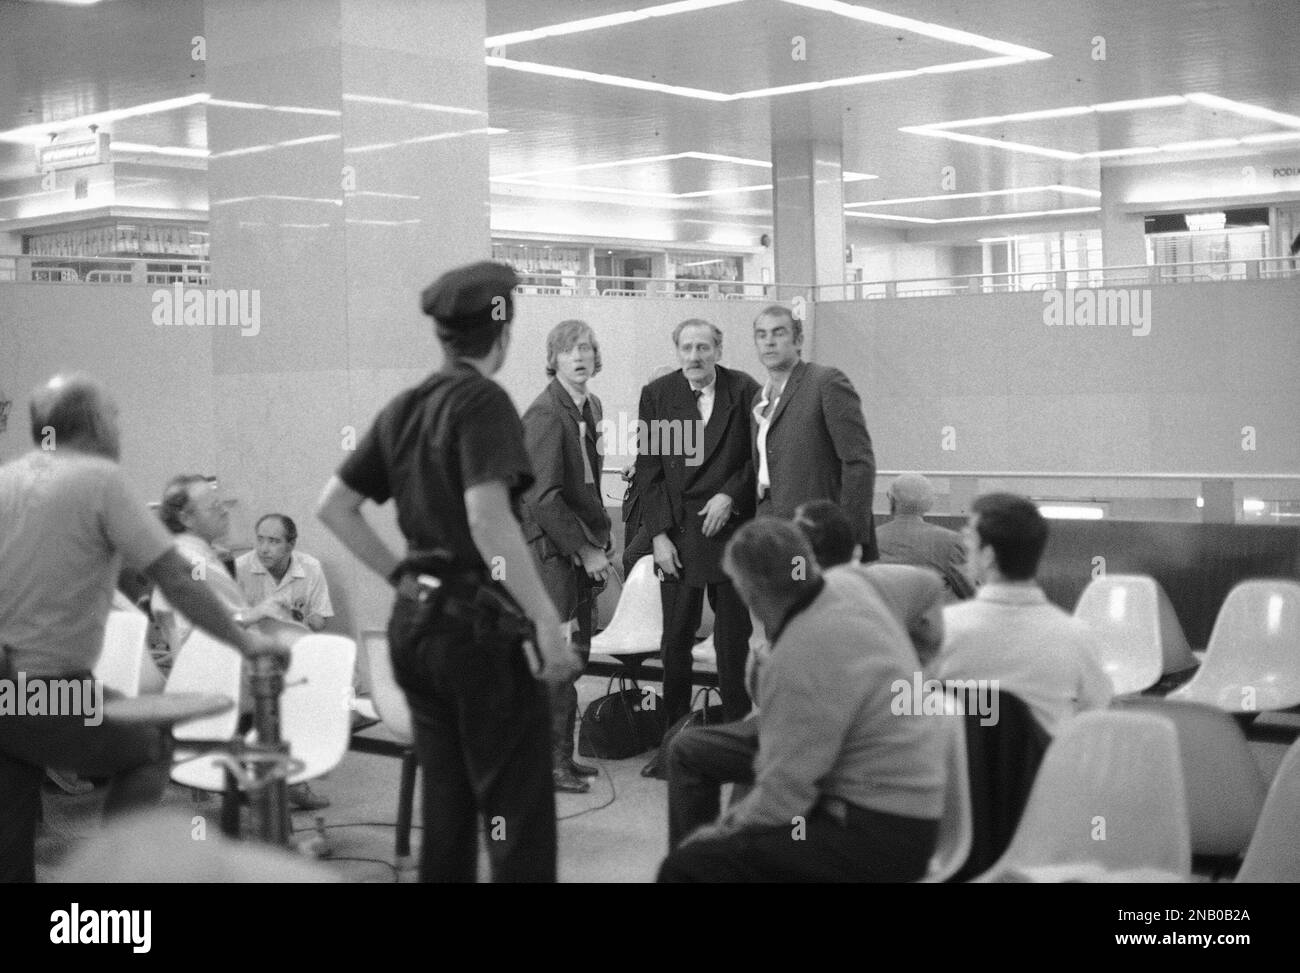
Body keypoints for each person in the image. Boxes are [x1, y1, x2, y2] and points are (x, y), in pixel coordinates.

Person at [317, 260, 580, 883]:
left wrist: (400, 575)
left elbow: (334, 506)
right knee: (516, 817)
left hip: (417, 628)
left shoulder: (407, 405)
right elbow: (488, 517)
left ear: (442, 334)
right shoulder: (483, 401)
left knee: (450, 810)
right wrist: (546, 621)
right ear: (505, 329)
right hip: (477, 636)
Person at [0, 374, 281, 883]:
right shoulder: (98, 482)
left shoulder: (7, 479)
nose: (119, 427)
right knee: (147, 750)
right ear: (92, 423)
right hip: (49, 690)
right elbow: (175, 576)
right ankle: (112, 883)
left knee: (12, 809)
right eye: (115, 415)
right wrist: (246, 642)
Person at [658, 518, 944, 882]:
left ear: (751, 590)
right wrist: (925, 658)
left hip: (877, 832)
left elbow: (784, 799)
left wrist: (720, 832)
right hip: (908, 791)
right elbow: (929, 582)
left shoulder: (797, 657)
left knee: (688, 866)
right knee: (693, 754)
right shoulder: (852, 583)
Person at [634, 319, 761, 777]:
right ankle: (674, 745)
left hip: (728, 532)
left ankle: (734, 744)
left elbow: (755, 459)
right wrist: (660, 535)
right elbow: (650, 472)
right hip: (679, 538)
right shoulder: (661, 395)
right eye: (686, 348)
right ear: (677, 351)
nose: (694, 356)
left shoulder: (745, 390)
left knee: (733, 646)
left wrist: (730, 495)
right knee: (675, 646)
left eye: (703, 347)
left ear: (719, 348)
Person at [519, 319, 614, 794]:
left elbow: (587, 486)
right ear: (553, 359)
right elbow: (543, 497)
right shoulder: (544, 413)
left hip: (578, 549)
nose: (580, 358)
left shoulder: (589, 406)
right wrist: (583, 549)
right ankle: (548, 763)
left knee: (577, 654)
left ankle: (563, 756)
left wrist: (598, 538)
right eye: (569, 351)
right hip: (551, 554)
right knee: (558, 656)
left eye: (587, 350)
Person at [932, 492, 1113, 736]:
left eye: (969, 541)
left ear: (988, 557)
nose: (965, 549)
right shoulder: (1077, 637)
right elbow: (1095, 719)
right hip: (1046, 772)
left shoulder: (942, 630)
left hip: (965, 772)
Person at [751, 304, 878, 560]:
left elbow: (858, 462)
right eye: (762, 335)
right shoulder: (759, 400)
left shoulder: (825, 382)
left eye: (778, 333)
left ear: (798, 341)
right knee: (784, 599)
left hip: (820, 532)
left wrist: (851, 536)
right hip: (773, 526)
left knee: (814, 596)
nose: (769, 342)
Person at [877, 472, 974, 600]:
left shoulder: (871, 540)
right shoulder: (951, 542)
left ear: (890, 498)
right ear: (930, 503)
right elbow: (971, 593)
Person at [235, 514, 335, 632]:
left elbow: (320, 620)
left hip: (296, 641)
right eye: (260, 539)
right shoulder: (239, 568)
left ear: (291, 545)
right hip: (253, 645)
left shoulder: (311, 567)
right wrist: (257, 612)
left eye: (273, 541)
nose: (264, 549)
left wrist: (296, 616)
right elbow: (225, 622)